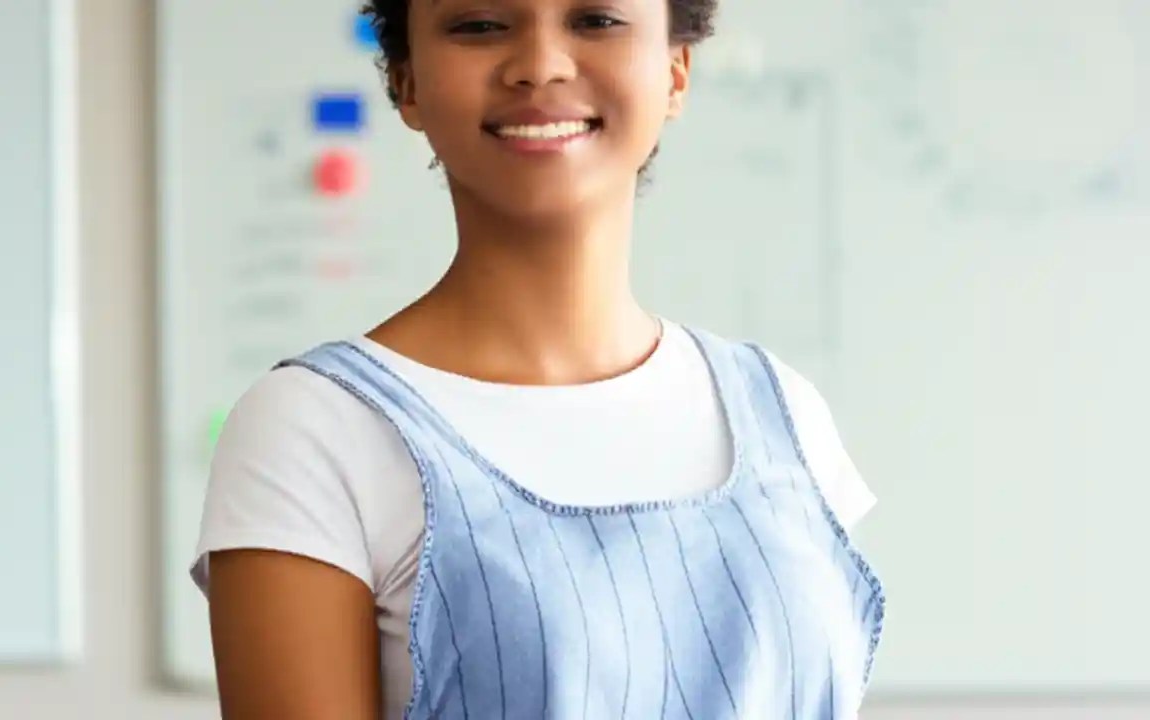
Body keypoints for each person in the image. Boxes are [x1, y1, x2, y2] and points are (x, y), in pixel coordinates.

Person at [192, 0, 886, 717]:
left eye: (596, 20)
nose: (540, 66)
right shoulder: (314, 430)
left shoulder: (786, 414)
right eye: (479, 25)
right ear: (406, 83)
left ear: (676, 72)